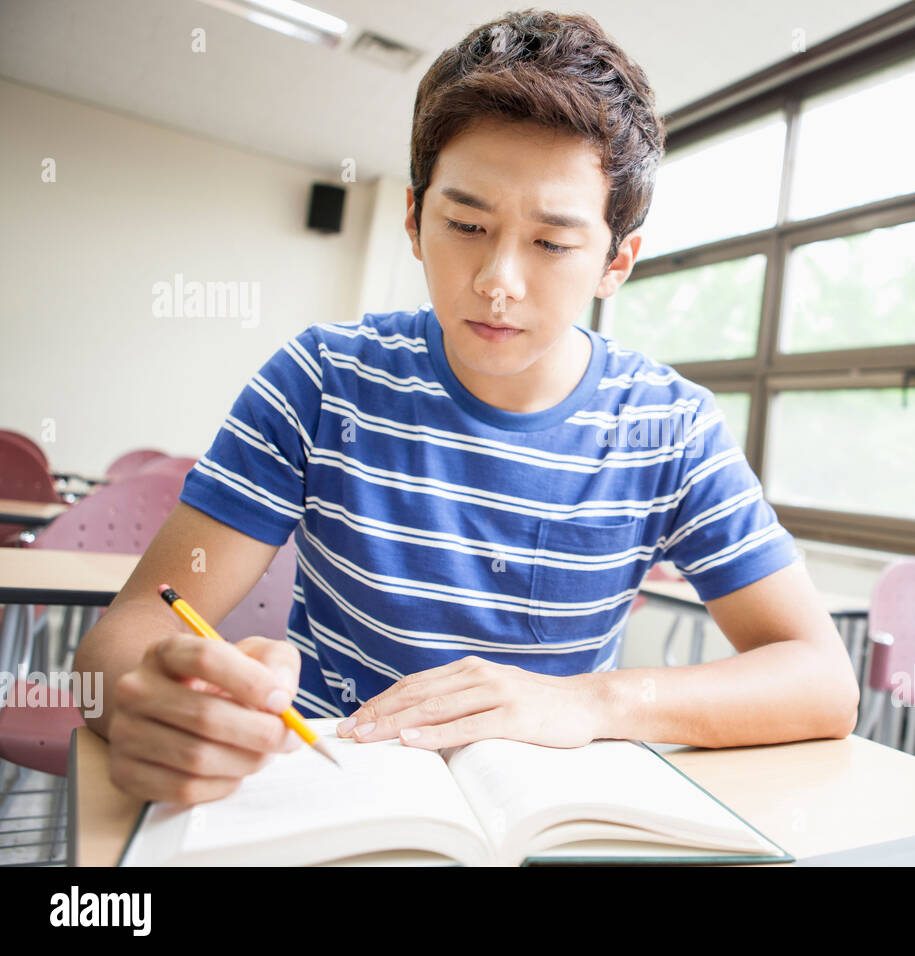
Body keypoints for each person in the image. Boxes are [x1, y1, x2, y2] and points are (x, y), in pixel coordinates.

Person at [73, 8, 860, 806]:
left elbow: (822, 679)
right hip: (331, 797)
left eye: (552, 244)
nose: (498, 281)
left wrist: (590, 702)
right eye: (467, 224)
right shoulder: (322, 380)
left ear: (615, 262)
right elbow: (131, 630)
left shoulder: (672, 426)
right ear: (415, 221)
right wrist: (155, 700)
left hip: (544, 815)